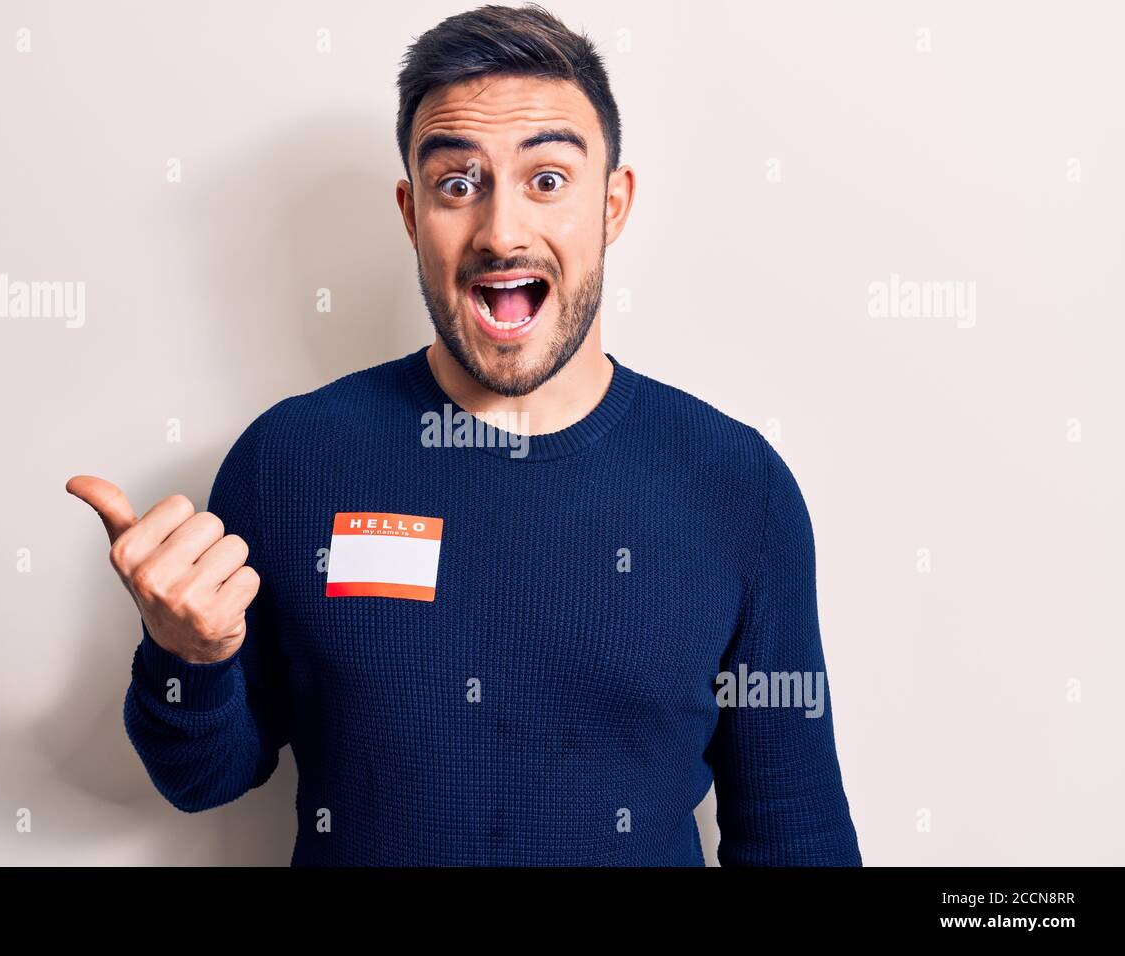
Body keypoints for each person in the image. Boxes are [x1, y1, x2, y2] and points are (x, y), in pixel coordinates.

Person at [67, 3, 861, 866]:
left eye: (548, 180)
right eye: (458, 184)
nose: (502, 232)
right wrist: (185, 657)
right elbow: (205, 777)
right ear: (412, 214)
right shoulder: (288, 461)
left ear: (614, 205)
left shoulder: (739, 487)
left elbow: (796, 834)